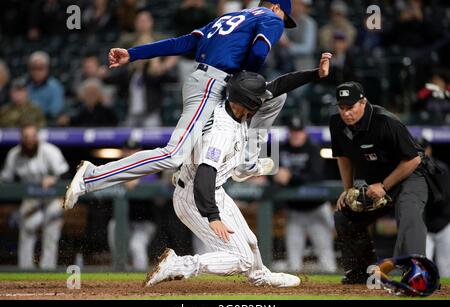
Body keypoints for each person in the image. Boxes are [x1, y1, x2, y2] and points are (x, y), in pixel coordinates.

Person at [63, 0, 298, 210]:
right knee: (174, 154)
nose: (282, 26)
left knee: (275, 96)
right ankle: (91, 177)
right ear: (276, 7)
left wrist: (134, 54)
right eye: (284, 19)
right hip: (212, 85)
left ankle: (246, 162)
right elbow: (258, 52)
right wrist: (246, 79)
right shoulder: (270, 18)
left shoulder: (227, 19)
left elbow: (181, 43)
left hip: (213, 82)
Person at [144, 65, 330, 287]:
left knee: (250, 241)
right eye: (256, 100)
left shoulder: (236, 106)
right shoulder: (221, 132)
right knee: (240, 259)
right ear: (245, 102)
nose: (261, 102)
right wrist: (213, 216)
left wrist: (314, 72)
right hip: (196, 195)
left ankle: (259, 276)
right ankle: (177, 265)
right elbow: (206, 172)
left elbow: (279, 87)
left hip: (212, 188)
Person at [331, 81, 429, 284]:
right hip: (377, 183)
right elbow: (343, 156)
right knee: (344, 214)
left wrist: (384, 186)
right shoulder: (337, 124)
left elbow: (414, 159)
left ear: (363, 102)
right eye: (342, 108)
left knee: (409, 214)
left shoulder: (385, 121)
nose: (346, 113)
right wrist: (348, 190)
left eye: (350, 107)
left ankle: (416, 272)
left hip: (409, 177)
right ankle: (361, 271)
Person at [0, 124, 68, 270]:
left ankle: (47, 270)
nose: (30, 140)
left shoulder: (50, 151)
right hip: (31, 200)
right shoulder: (15, 154)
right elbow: (6, 180)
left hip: (52, 199)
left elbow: (65, 174)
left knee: (51, 233)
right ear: (21, 139)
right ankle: (25, 270)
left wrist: (54, 179)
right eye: (26, 137)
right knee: (27, 229)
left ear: (37, 137)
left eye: (33, 136)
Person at [274, 116, 336, 273]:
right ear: (289, 133)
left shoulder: (313, 148)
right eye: (293, 132)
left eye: (299, 131)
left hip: (317, 209)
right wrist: (274, 175)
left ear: (304, 132)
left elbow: (316, 176)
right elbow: (272, 172)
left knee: (327, 260)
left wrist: (290, 177)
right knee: (293, 262)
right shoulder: (281, 149)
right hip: (294, 212)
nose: (296, 135)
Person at [107, 138, 157, 271]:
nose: (130, 153)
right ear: (123, 152)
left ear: (140, 151)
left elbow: (154, 179)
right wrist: (125, 178)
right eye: (127, 150)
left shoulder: (149, 167)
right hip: (123, 220)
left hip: (144, 221)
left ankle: (141, 279)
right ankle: (120, 274)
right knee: (113, 228)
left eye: (133, 150)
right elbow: (108, 177)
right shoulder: (117, 167)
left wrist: (137, 180)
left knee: (136, 245)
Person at [418, 138, 450, 277]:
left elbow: (443, 198)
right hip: (424, 225)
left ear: (429, 149)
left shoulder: (440, 168)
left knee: (446, 268)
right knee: (423, 267)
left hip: (444, 224)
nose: (421, 154)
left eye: (423, 149)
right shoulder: (411, 170)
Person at [26, 51, 65, 122]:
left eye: (40, 68)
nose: (37, 72)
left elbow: (55, 110)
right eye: (34, 68)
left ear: (47, 69)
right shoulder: (25, 86)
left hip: (48, 123)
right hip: (27, 123)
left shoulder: (55, 86)